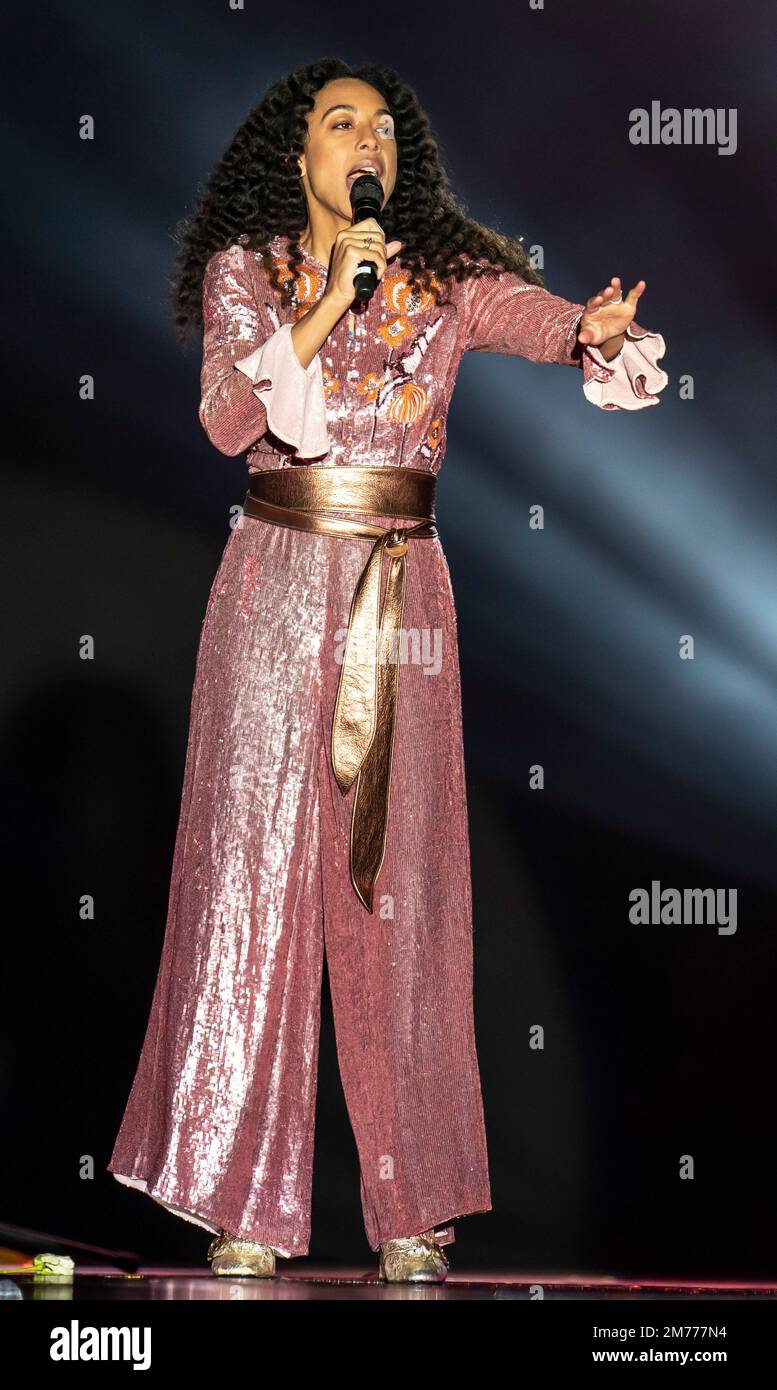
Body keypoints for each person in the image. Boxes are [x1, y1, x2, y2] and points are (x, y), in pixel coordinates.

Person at [107, 57, 668, 1284]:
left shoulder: (444, 281)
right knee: (252, 879)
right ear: (296, 153)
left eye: (384, 127)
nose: (368, 140)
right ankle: (237, 1199)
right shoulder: (247, 270)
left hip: (403, 595)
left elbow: (531, 319)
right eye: (340, 120)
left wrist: (586, 331)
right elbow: (228, 419)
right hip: (270, 582)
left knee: (399, 891)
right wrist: (326, 301)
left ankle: (413, 1206)